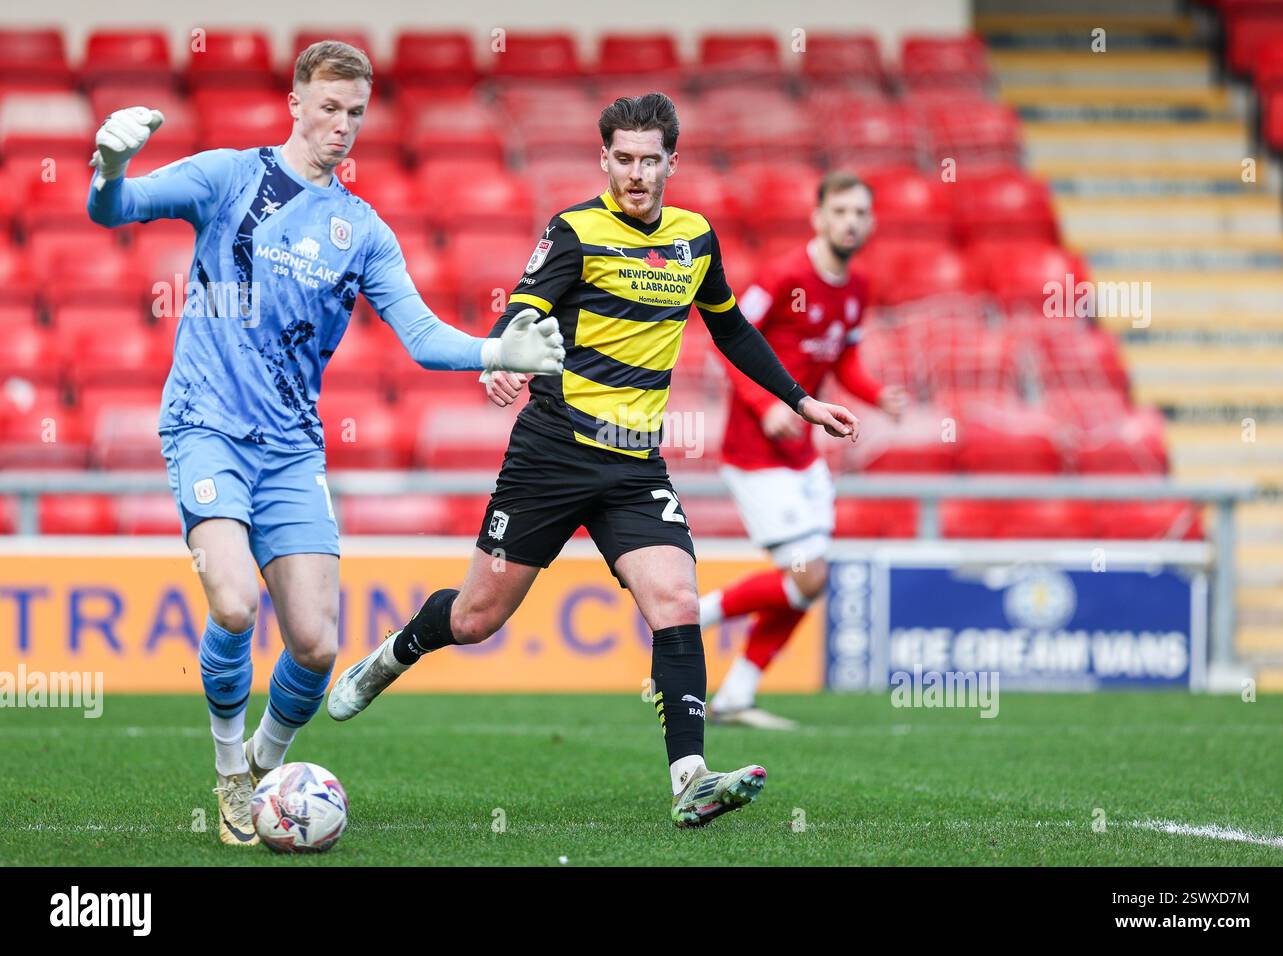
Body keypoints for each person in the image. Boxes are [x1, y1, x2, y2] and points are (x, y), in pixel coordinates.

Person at [328, 93, 861, 828]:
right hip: (553, 452)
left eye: (651, 160)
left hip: (635, 468)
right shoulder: (574, 229)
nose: (637, 173)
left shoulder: (695, 240)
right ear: (603, 159)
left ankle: (690, 778)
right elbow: (525, 305)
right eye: (625, 159)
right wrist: (503, 358)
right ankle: (395, 652)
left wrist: (801, 402)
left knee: (675, 602)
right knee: (479, 617)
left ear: (671, 161)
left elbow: (733, 331)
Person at [86, 41, 564, 846]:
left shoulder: (361, 230)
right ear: (297, 103)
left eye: (355, 113)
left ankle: (271, 765)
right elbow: (117, 210)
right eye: (330, 108)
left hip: (291, 451)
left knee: (314, 644)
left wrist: (495, 350)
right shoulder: (228, 176)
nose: (342, 126)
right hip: (206, 428)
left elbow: (417, 336)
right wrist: (106, 169)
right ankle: (231, 772)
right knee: (233, 603)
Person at [698, 171, 907, 730]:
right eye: (840, 211)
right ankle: (693, 617)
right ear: (818, 217)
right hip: (754, 451)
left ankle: (736, 695)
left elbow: (842, 361)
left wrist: (874, 393)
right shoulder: (783, 275)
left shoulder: (858, 287)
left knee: (809, 582)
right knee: (808, 576)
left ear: (871, 222)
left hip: (803, 453)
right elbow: (729, 342)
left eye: (861, 213)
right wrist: (766, 406)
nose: (851, 222)